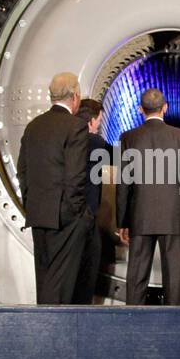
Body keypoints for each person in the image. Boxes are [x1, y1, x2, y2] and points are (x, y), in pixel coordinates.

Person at [116, 88, 180, 305]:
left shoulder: (128, 138)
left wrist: (122, 221)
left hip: (139, 217)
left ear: (140, 109)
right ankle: (174, 328)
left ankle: (132, 325)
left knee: (136, 278)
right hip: (173, 216)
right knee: (173, 278)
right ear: (165, 108)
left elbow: (123, 184)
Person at [17, 72, 92, 305]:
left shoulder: (33, 127)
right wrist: (75, 211)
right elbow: (75, 175)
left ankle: (43, 328)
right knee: (61, 283)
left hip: (38, 214)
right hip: (64, 216)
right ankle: (53, 334)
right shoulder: (76, 127)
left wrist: (30, 203)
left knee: (45, 276)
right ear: (76, 97)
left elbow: (23, 171)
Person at [72, 98, 109, 304]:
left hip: (68, 217)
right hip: (87, 217)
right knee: (88, 270)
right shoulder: (95, 143)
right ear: (91, 121)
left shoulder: (66, 139)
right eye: (99, 122)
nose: (99, 126)